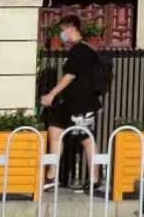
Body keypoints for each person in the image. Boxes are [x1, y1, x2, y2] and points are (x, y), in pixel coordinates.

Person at [40, 15, 107, 188]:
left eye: (63, 31)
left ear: (72, 29)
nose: (62, 35)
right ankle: (51, 176)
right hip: (69, 103)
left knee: (86, 138)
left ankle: (95, 179)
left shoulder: (81, 51)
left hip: (82, 104)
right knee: (55, 130)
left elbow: (70, 75)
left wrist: (51, 94)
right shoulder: (78, 50)